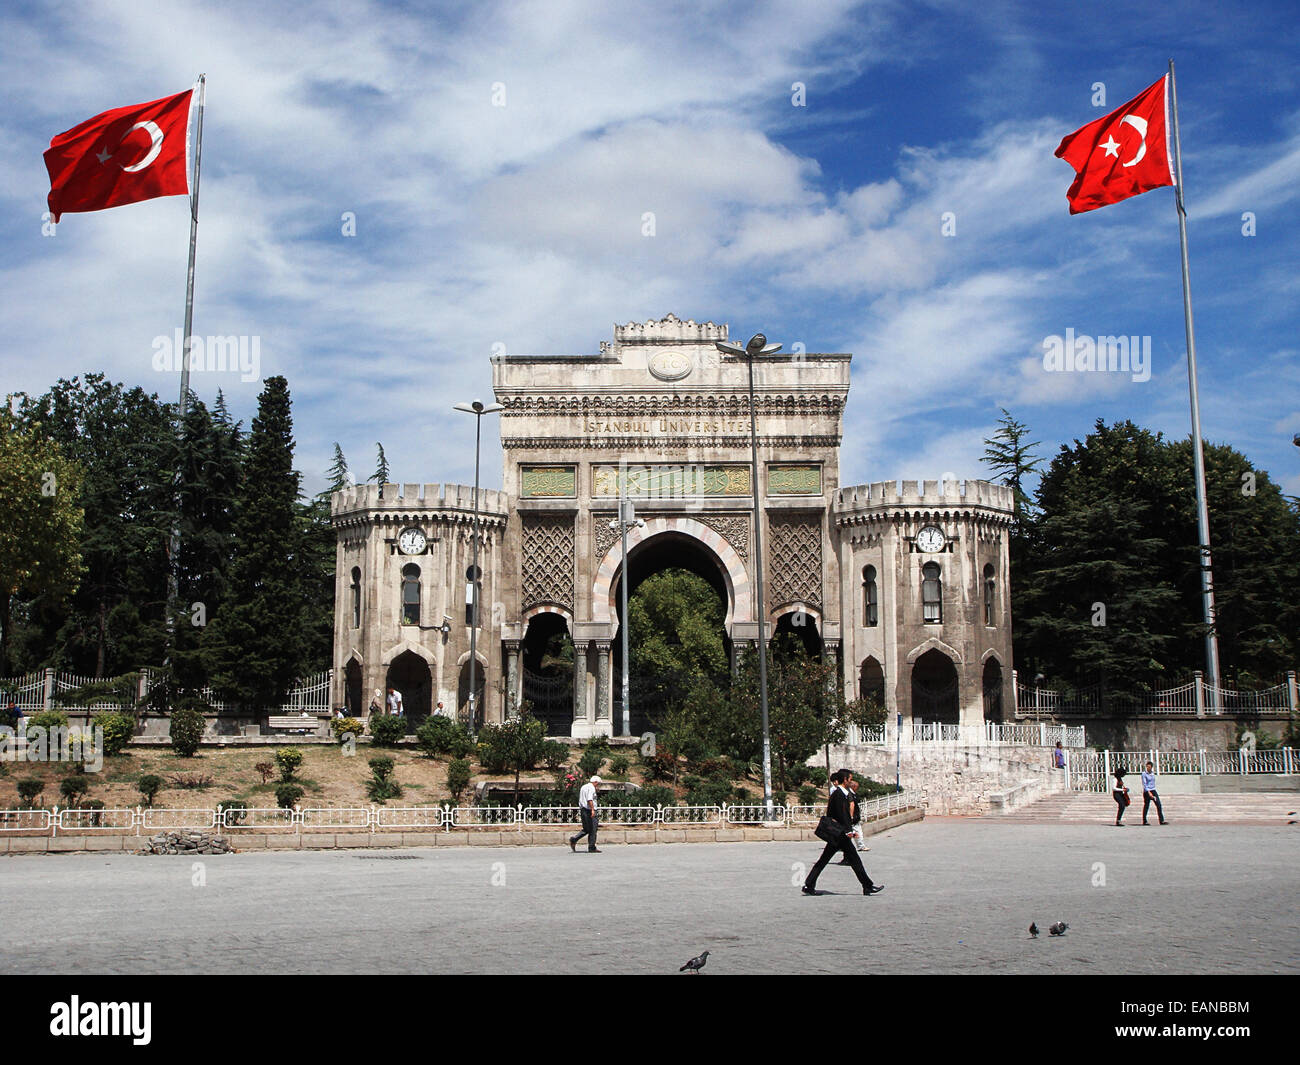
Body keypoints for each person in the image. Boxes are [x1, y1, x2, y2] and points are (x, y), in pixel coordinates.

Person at [803, 770, 883, 896]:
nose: (851, 782)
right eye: (850, 779)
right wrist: (848, 831)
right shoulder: (839, 794)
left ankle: (809, 884)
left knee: (825, 860)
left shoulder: (841, 794)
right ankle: (868, 886)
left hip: (839, 833)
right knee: (854, 860)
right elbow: (841, 815)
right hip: (840, 834)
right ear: (845, 780)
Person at [837, 773, 866, 862]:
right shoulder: (845, 793)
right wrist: (851, 817)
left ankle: (848, 858)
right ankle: (848, 858)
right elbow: (851, 805)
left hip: (847, 820)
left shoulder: (845, 793)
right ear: (845, 780)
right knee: (846, 840)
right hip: (847, 820)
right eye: (849, 779)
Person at [569, 775, 601, 853]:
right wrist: (593, 810)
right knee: (593, 829)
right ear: (595, 782)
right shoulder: (591, 788)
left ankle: (574, 839)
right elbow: (589, 799)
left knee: (587, 829)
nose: (598, 785)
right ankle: (592, 847)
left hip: (583, 810)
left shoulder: (584, 787)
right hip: (589, 810)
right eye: (598, 784)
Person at [1140, 760, 1167, 825]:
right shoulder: (1144, 774)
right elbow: (1144, 784)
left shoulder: (1152, 773)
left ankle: (1161, 820)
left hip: (1153, 790)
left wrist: (1153, 792)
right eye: (1147, 767)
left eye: (1149, 767)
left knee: (1158, 804)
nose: (1148, 768)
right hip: (1147, 791)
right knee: (1146, 805)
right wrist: (1149, 793)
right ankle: (1144, 820)